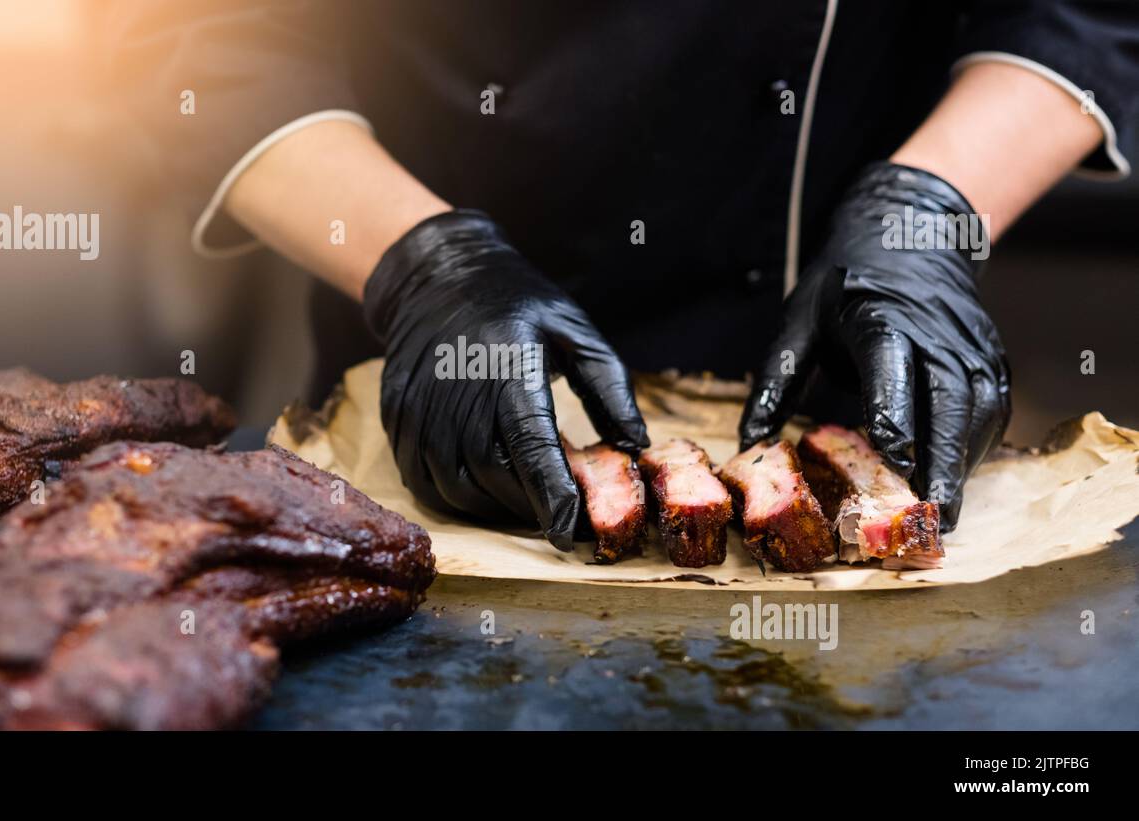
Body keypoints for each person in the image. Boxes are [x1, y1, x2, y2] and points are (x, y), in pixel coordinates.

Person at [111, 1, 1138, 550]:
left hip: (853, 350)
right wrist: (425, 262)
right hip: (435, 386)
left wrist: (927, 210)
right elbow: (201, 33)